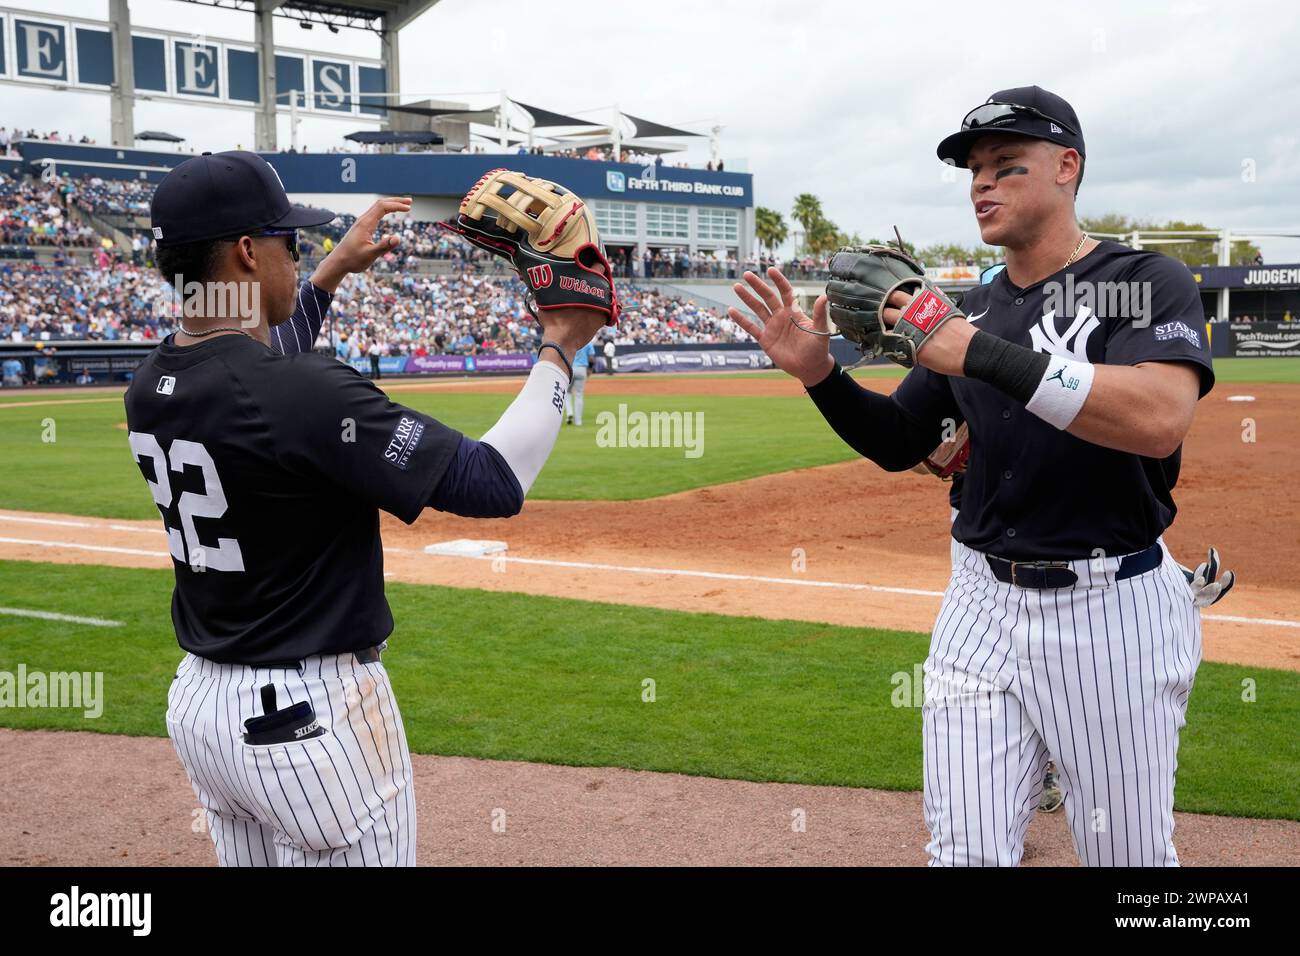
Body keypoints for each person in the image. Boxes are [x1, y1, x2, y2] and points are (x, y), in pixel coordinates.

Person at [729, 87, 1213, 867]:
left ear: (1067, 167)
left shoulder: (1144, 280)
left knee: (1127, 861)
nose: (982, 184)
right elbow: (901, 440)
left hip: (1109, 606)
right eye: (974, 171)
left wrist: (967, 349)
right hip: (978, 602)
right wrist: (821, 377)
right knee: (963, 855)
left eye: (1006, 166)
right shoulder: (976, 306)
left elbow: (1158, 416)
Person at [126, 151, 610, 867]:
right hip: (309, 722)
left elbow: (253, 365)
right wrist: (559, 346)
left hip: (202, 710)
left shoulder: (153, 379)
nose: (302, 255)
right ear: (248, 253)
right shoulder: (305, 390)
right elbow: (492, 482)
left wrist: (330, 273)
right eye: (292, 244)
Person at [565, 337, 597, 425]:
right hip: (582, 369)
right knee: (579, 395)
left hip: (570, 368)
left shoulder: (569, 341)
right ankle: (578, 421)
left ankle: (569, 412)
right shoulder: (588, 343)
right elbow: (591, 358)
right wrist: (590, 369)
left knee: (566, 392)